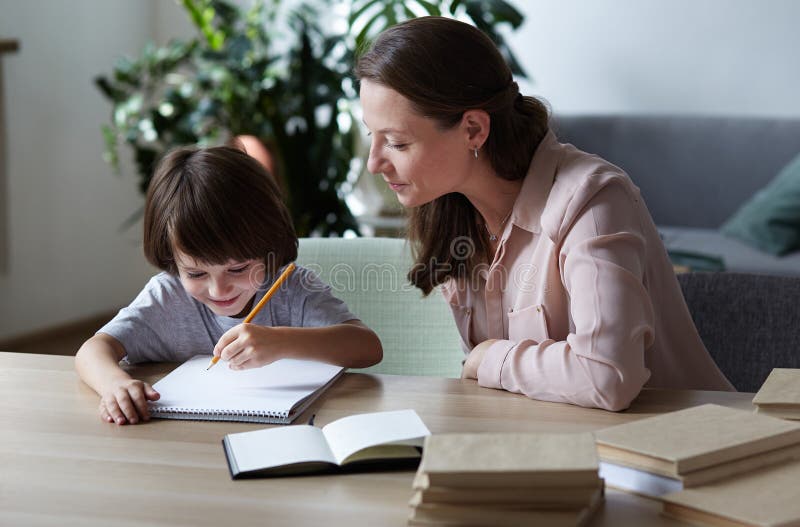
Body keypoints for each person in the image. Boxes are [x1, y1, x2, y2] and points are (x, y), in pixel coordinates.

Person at [355, 16, 733, 412]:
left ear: (473, 130)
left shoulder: (593, 199)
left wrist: (489, 358)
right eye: (371, 135)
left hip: (683, 440)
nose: (374, 163)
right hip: (555, 436)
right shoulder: (453, 209)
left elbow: (607, 376)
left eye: (397, 142)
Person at [75, 146, 382, 425]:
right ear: (172, 260)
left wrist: (282, 341)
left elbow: (368, 347)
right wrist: (114, 383)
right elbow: (93, 350)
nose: (219, 290)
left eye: (237, 269)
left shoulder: (291, 289)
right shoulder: (167, 297)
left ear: (269, 247)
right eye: (196, 273)